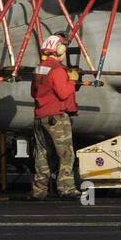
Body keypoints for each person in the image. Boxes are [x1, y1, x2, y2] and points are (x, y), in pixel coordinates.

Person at [30, 34, 79, 199]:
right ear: (59, 49)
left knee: (42, 155)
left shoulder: (39, 68)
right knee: (66, 154)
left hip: (40, 117)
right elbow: (64, 93)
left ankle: (39, 191)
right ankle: (66, 189)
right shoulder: (57, 70)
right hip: (56, 118)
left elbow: (33, 93)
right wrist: (72, 81)